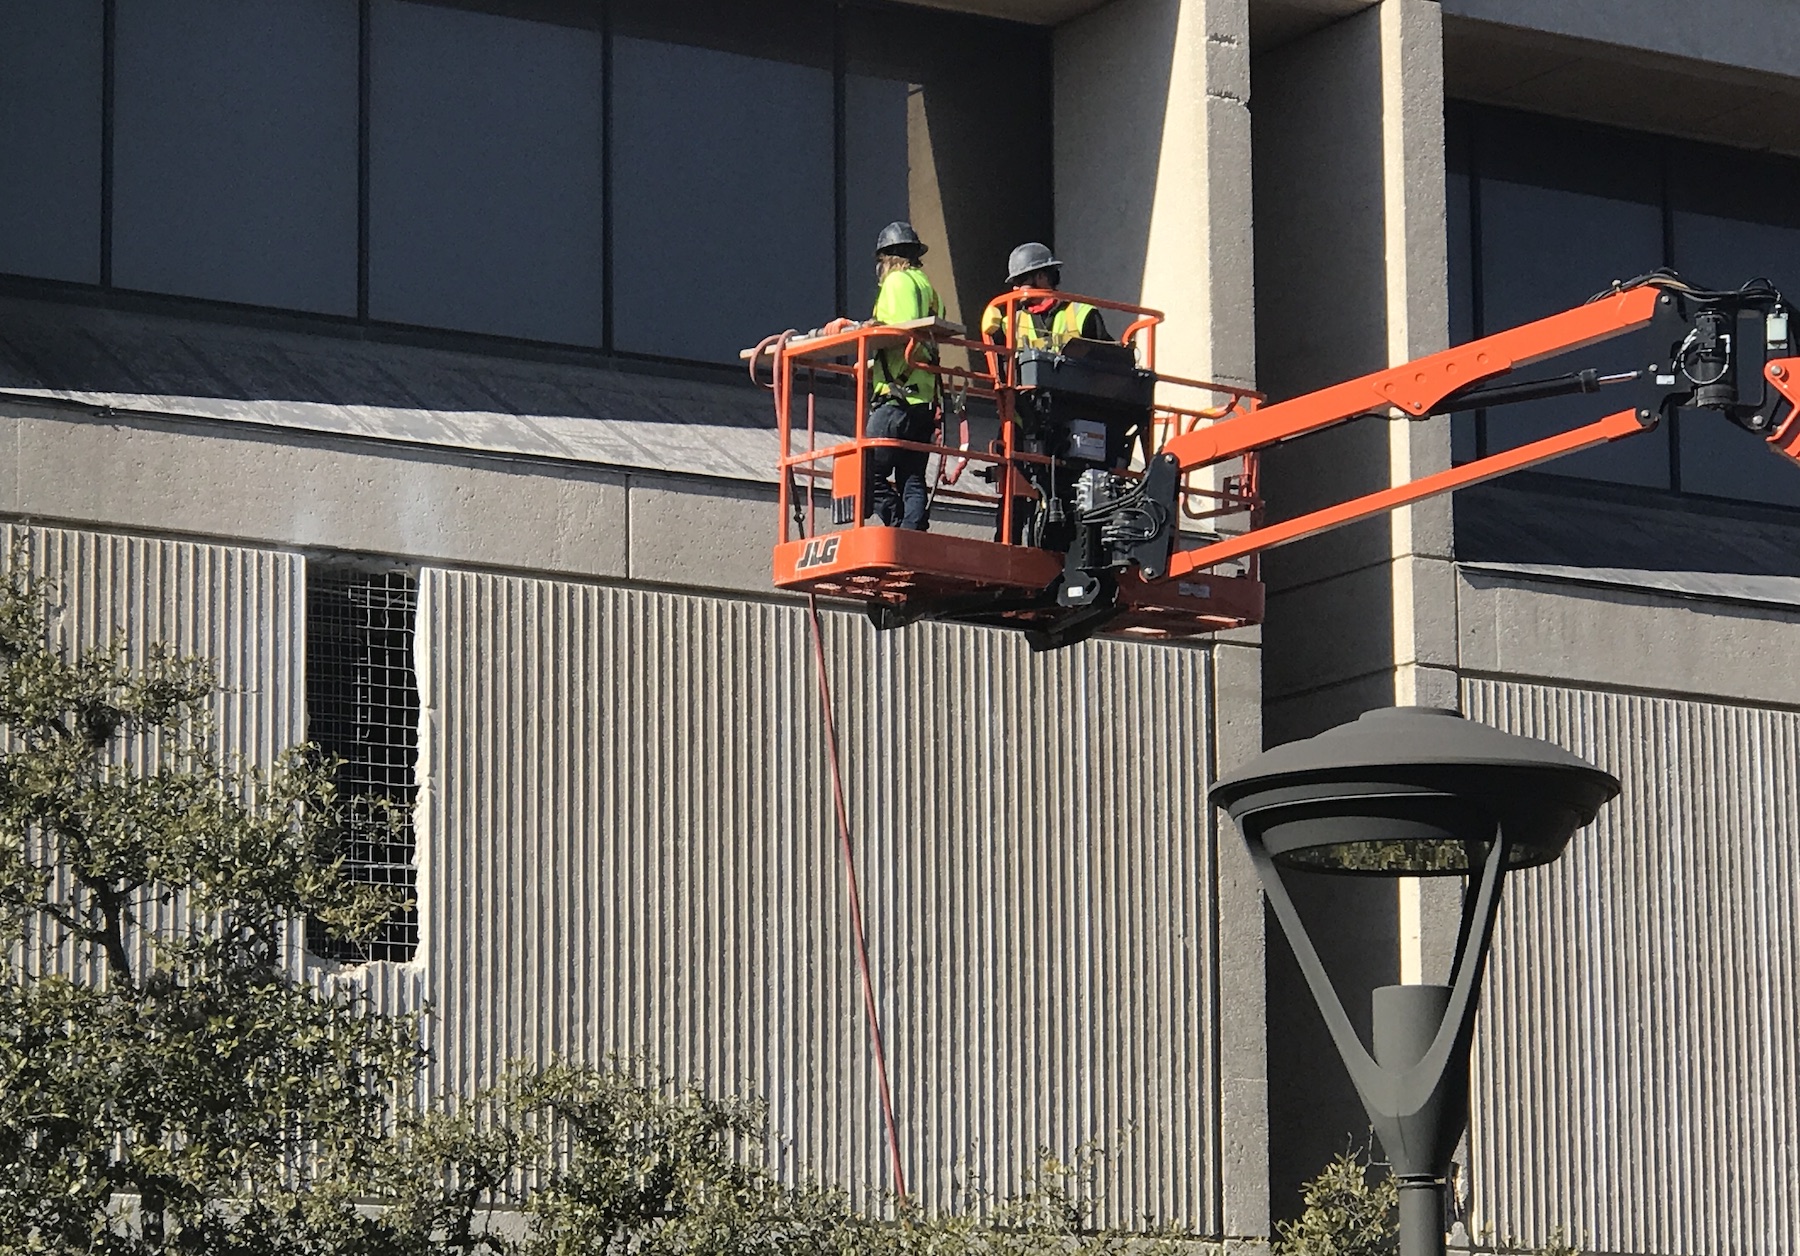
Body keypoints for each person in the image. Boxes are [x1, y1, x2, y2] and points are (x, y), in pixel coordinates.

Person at [864, 221, 944, 531]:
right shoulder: (928, 287)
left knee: (866, 472)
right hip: (923, 402)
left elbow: (897, 330)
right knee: (912, 477)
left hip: (896, 401)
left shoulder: (896, 282)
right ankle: (913, 533)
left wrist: (868, 330)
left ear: (887, 258)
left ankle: (900, 528)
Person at [979, 241, 1109, 357]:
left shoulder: (1082, 314)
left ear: (1041, 277)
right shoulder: (1009, 324)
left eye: (1021, 281)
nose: (1015, 288)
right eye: (1014, 283)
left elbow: (1108, 360)